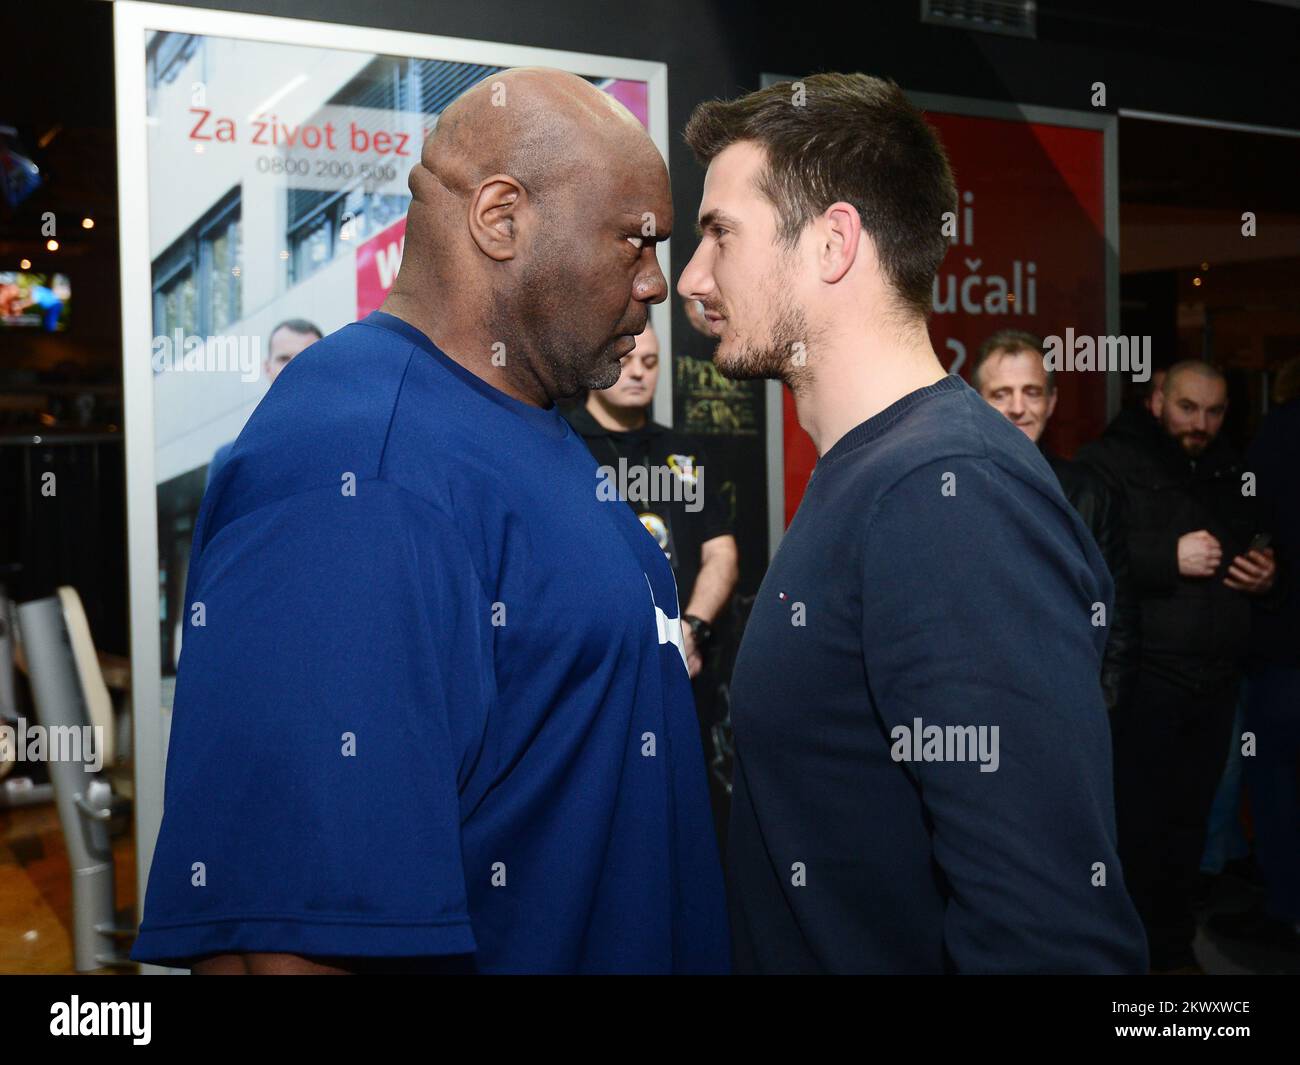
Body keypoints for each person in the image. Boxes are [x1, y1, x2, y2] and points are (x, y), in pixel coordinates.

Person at [131, 67, 728, 975]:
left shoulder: (529, 416)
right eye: (633, 244)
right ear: (500, 217)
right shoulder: (355, 462)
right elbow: (287, 942)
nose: (659, 282)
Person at [677, 72, 1145, 973]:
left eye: (720, 234)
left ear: (833, 241)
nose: (693, 278)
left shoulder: (949, 495)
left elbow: (1050, 935)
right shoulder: (880, 473)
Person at [1078, 359, 1277, 972]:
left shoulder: (1231, 465)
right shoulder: (1108, 463)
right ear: (1156, 399)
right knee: (1136, 832)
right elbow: (1086, 558)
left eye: (1214, 412)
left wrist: (1268, 569)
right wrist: (1165, 556)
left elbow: (1259, 531)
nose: (1201, 423)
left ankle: (1171, 949)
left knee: (1190, 830)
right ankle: (1128, 956)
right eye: (1188, 407)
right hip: (1146, 683)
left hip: (1216, 683)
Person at [563, 322, 739, 835]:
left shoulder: (683, 453)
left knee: (686, 818)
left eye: (652, 363)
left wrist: (695, 629)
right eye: (631, 359)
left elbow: (722, 554)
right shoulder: (565, 445)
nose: (639, 372)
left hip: (682, 672)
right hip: (598, 674)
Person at [973, 329, 1138, 714]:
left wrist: (1100, 712)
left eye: (1032, 392)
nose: (1018, 407)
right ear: (977, 404)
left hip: (1067, 710)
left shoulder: (1089, 493)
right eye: (1001, 394)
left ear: (1051, 402)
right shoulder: (948, 488)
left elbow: (1120, 619)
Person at [1209, 356, 1300, 953]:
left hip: (1286, 649)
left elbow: (1255, 523)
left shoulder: (1283, 433)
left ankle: (1285, 909)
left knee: (1277, 781)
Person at [207, 318, 323, 485]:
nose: (293, 368)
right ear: (267, 368)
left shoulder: (352, 447)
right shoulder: (228, 462)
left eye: (306, 357)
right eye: (284, 359)